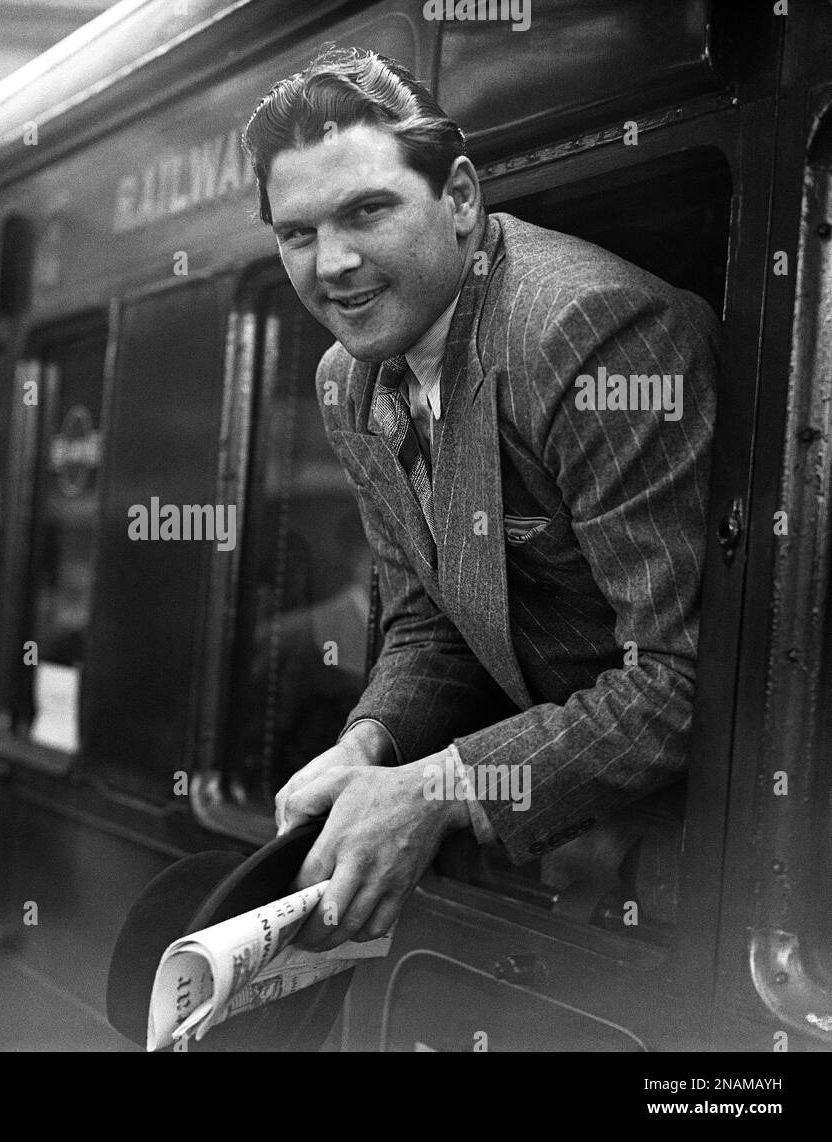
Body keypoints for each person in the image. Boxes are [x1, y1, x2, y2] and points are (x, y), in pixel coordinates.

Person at [241, 48, 718, 950]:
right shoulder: (347, 380)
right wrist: (370, 744)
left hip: (717, 868)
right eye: (297, 233)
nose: (333, 263)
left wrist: (441, 788)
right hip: (580, 848)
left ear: (459, 198)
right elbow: (429, 620)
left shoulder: (589, 336)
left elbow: (682, 681)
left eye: (366, 211)